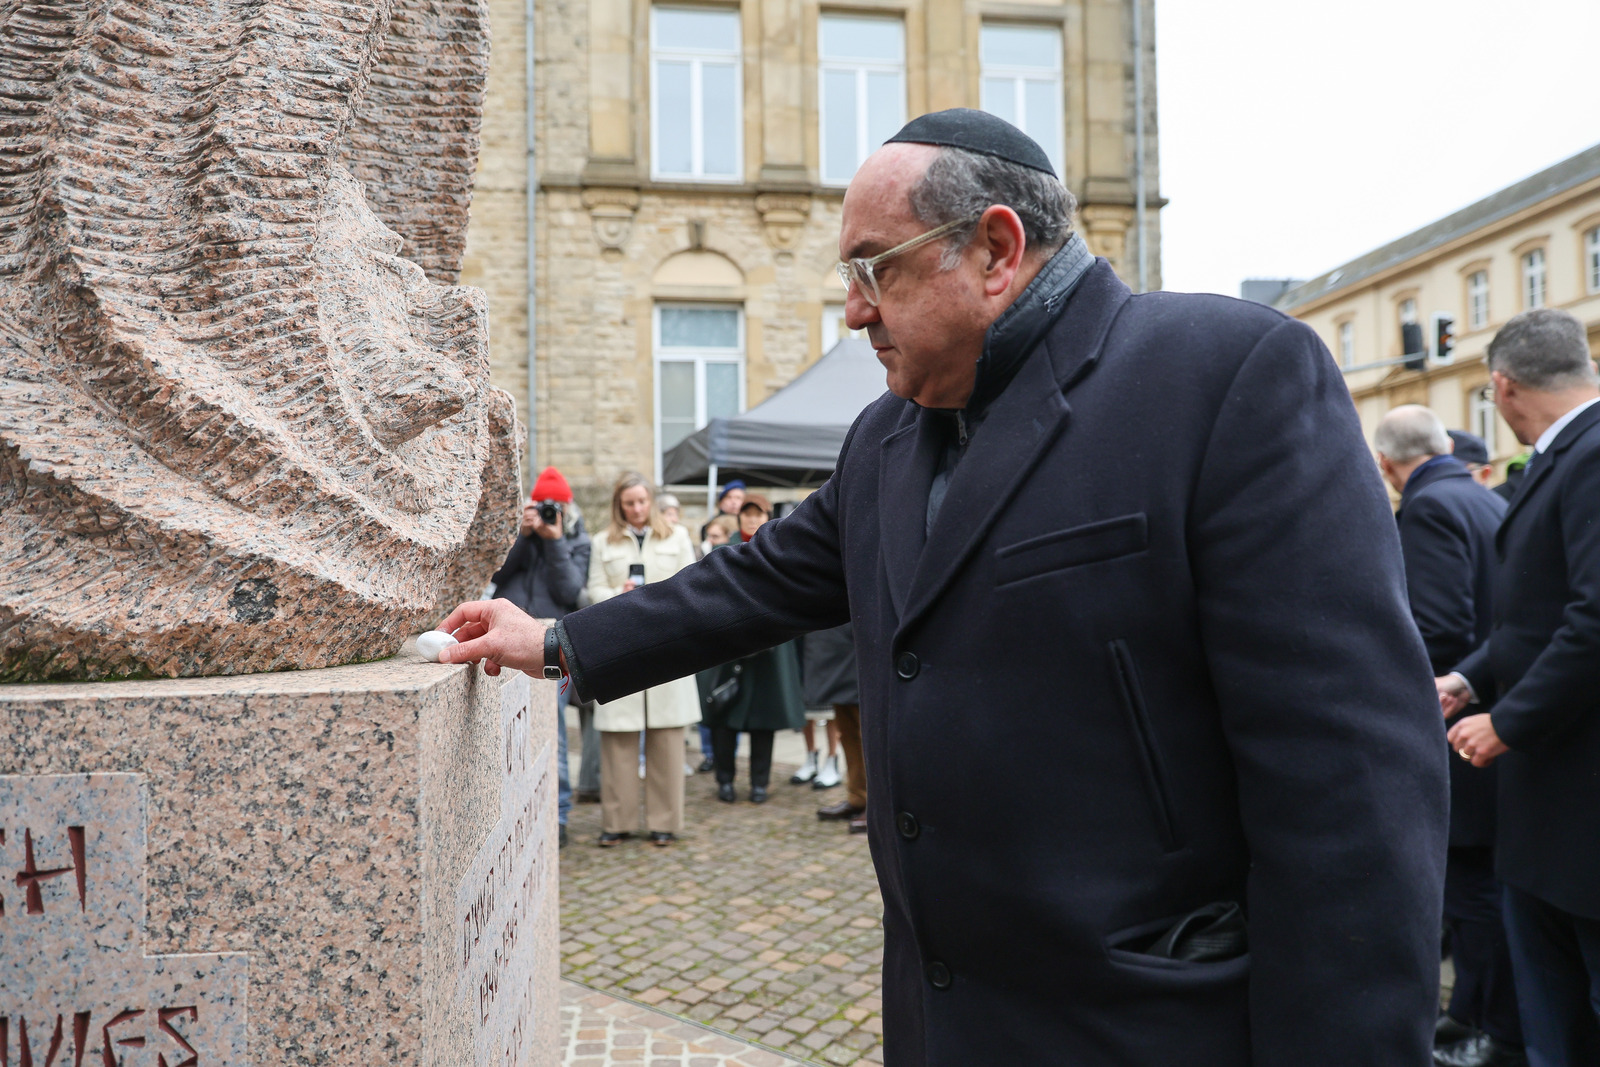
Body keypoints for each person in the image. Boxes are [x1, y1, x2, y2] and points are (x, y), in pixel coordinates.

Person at [440, 109, 1447, 1064]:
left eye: (873, 268)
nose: (853, 309)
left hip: (1148, 1019)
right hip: (946, 1022)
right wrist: (560, 642)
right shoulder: (887, 435)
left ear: (996, 251)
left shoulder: (1221, 375)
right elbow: (758, 579)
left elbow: (1350, 782)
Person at [1439, 308, 1600, 1067]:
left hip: (1578, 796)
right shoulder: (1567, 454)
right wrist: (1471, 679)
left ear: (1502, 386)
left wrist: (1508, 721)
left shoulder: (1592, 455)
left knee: (1573, 1006)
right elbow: (1535, 614)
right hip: (1552, 810)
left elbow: (1595, 617)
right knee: (1553, 1010)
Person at [1376, 409, 1521, 1067]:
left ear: (1386, 466)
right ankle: (1475, 1016)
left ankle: (1488, 1026)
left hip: (1461, 725)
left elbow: (1436, 626)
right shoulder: (1482, 500)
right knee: (1484, 886)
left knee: (1470, 890)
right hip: (1499, 718)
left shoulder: (1428, 509)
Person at [584, 472, 701, 847]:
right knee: (618, 737)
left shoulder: (677, 536)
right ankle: (617, 822)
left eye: (641, 501)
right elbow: (593, 588)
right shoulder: (602, 541)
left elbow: (692, 582)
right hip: (619, 644)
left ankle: (664, 822)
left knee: (667, 738)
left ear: (650, 502)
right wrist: (619, 592)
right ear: (619, 505)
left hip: (666, 644)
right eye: (629, 503)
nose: (636, 509)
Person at [488, 467, 591, 849]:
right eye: (543, 507)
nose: (549, 514)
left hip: (550, 644)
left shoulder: (578, 540)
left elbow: (569, 589)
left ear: (567, 508)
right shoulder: (522, 535)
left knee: (555, 731)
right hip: (507, 642)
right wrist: (522, 536)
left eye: (556, 507)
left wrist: (554, 541)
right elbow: (496, 575)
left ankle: (558, 815)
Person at [701, 496, 807, 802]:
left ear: (766, 516)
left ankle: (760, 782)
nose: (751, 519)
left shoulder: (780, 550)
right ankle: (725, 780)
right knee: (724, 716)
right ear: (738, 519)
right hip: (729, 648)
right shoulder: (724, 552)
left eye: (757, 514)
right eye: (746, 514)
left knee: (764, 720)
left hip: (769, 651)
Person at [804, 622, 866, 833]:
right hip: (836, 640)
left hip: (858, 635)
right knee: (849, 732)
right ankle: (859, 798)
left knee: (868, 734)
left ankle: (878, 805)